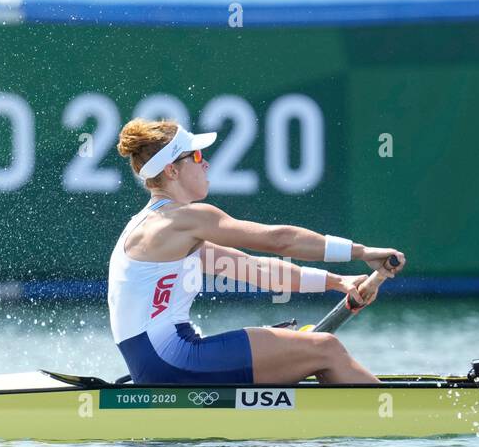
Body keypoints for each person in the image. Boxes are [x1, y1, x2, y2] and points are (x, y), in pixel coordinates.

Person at [108, 118, 405, 385]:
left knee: (305, 347)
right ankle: (395, 420)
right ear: (172, 170)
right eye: (197, 156)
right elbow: (280, 241)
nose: (206, 164)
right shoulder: (182, 220)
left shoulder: (162, 228)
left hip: (157, 364)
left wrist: (338, 282)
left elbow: (258, 271)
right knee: (325, 348)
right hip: (172, 361)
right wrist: (362, 251)